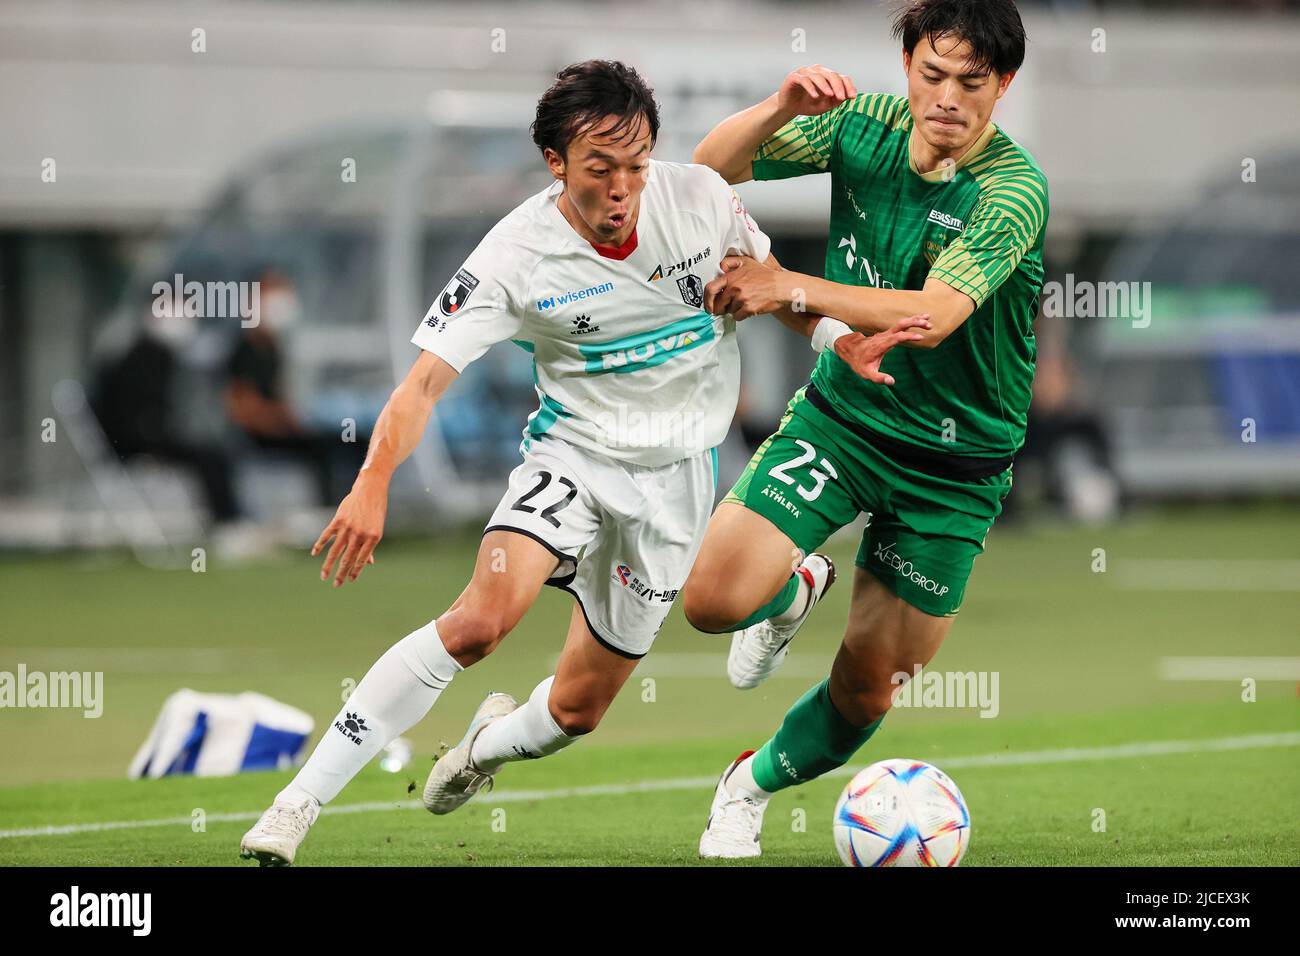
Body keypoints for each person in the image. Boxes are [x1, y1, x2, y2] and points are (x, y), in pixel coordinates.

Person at [239, 59, 922, 866]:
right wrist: (371, 483)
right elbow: (424, 383)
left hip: (676, 481)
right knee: (479, 623)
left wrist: (838, 337)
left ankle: (483, 749)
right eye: (601, 169)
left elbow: (774, 295)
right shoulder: (516, 256)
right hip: (574, 458)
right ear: (556, 162)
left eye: (636, 166)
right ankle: (295, 805)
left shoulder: (700, 200)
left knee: (577, 711)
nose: (623, 188)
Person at [682, 0, 1049, 857]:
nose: (948, 97)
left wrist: (788, 287)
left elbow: (931, 315)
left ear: (1003, 85)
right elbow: (708, 169)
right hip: (847, 420)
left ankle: (749, 781)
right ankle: (790, 590)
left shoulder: (1012, 189)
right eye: (932, 74)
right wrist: (778, 109)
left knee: (869, 687)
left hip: (955, 468)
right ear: (909, 68)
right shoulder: (861, 125)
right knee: (711, 602)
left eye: (972, 81)